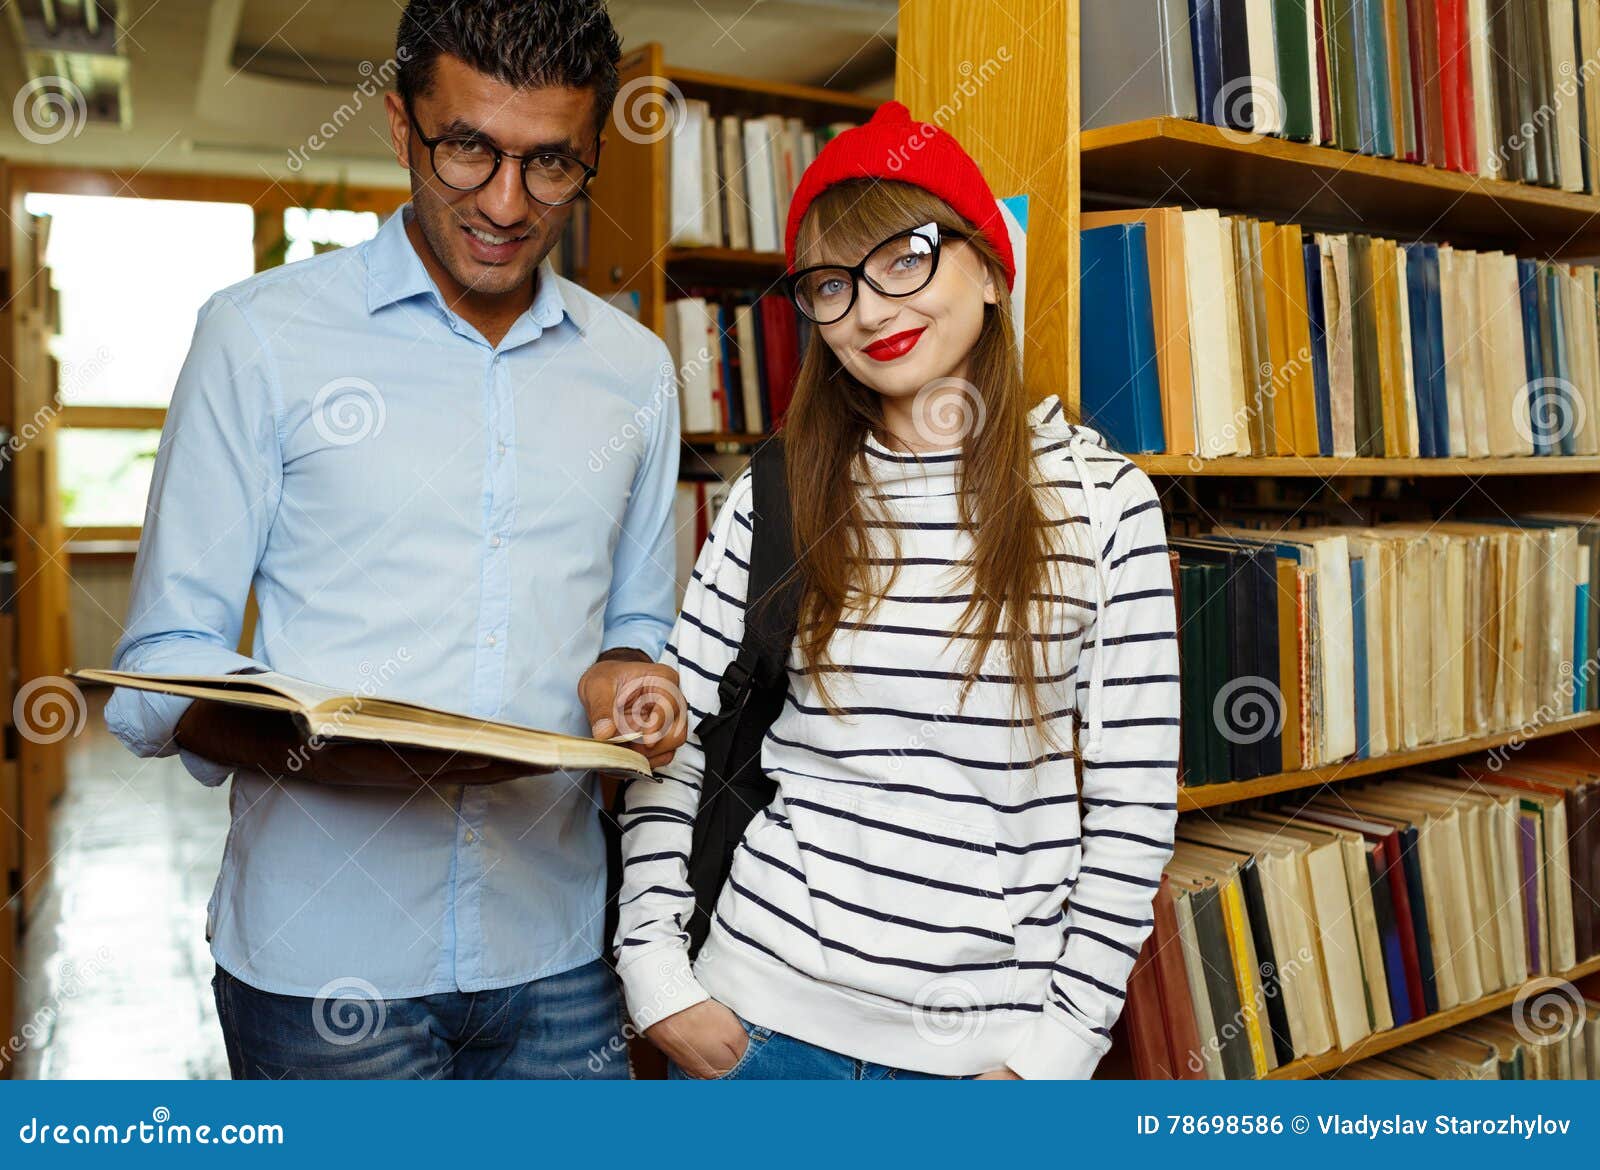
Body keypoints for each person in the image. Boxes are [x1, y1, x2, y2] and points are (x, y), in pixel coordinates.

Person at [105, 0, 687, 1080]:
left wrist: (635, 680)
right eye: (468, 149)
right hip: (323, 961)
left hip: (559, 952)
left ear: (595, 149)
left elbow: (638, 621)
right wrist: (328, 742)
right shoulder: (258, 337)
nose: (506, 204)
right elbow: (154, 667)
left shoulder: (637, 371)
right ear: (398, 123)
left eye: (551, 163)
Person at [613, 101, 1180, 1080]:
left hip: (981, 1060)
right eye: (832, 284)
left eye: (906, 256)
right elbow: (679, 732)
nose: (870, 309)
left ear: (993, 270)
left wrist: (1054, 1055)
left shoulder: (1101, 501)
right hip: (758, 1024)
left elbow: (1132, 814)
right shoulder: (782, 490)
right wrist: (656, 973)